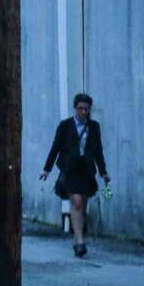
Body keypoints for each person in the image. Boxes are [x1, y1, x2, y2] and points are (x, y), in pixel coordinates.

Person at [40, 93, 110, 258]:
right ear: (75, 108)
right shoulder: (65, 126)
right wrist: (47, 169)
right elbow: (55, 147)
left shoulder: (94, 127)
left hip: (86, 170)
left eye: (86, 109)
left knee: (82, 206)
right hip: (70, 169)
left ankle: (78, 236)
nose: (84, 112)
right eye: (81, 108)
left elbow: (98, 151)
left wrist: (104, 172)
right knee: (77, 203)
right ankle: (79, 242)